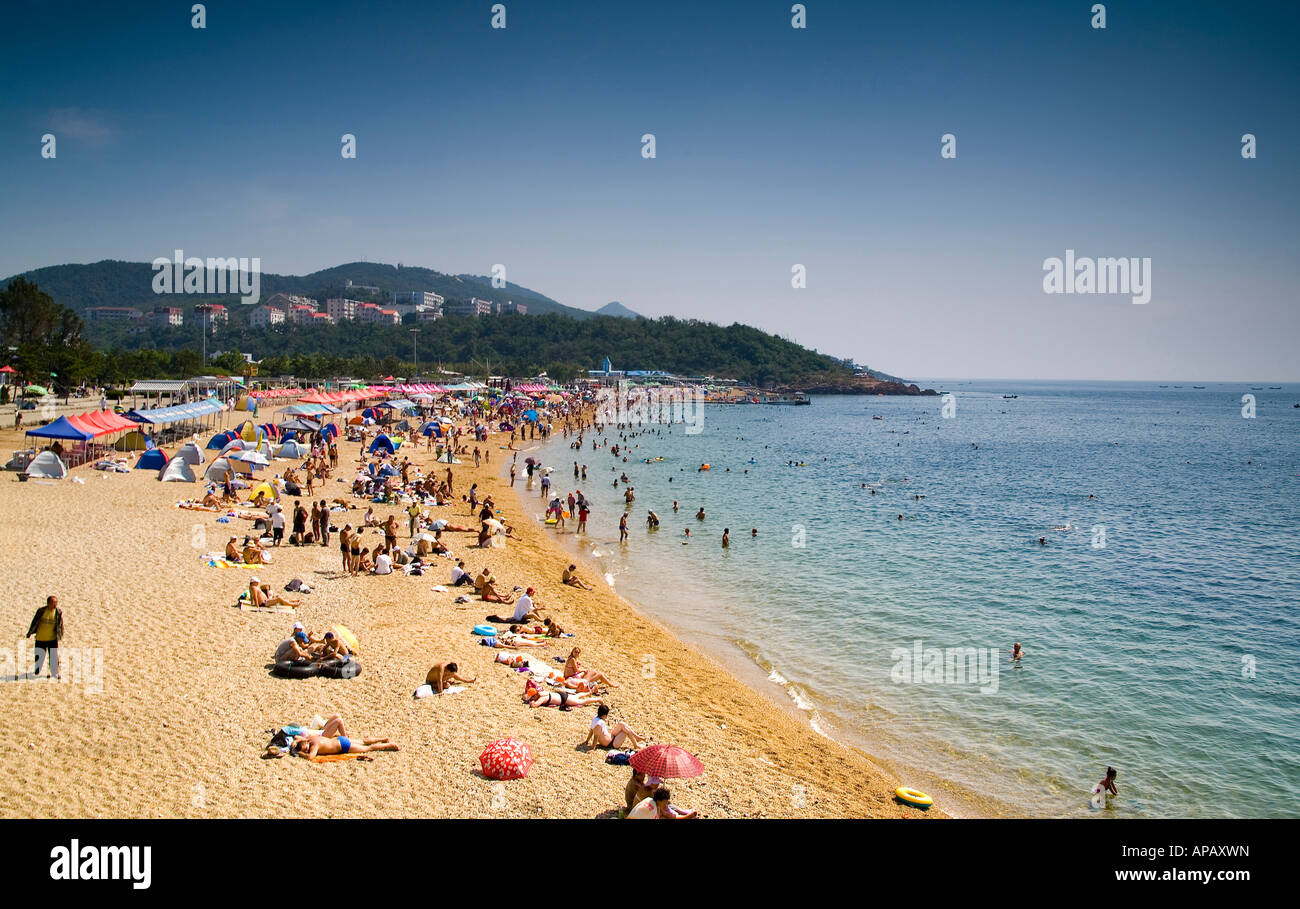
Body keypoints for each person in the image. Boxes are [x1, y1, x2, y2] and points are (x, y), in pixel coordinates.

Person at [26, 595, 63, 679]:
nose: (55, 605)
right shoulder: (41, 611)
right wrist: (30, 632)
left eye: (56, 603)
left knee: (54, 657)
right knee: (39, 656)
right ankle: (37, 669)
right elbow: (34, 621)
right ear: (48, 603)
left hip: (52, 639)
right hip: (40, 638)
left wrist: (60, 635)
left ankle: (55, 673)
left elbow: (60, 625)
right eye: (53, 603)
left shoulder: (58, 612)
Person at [291, 731, 398, 759]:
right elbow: (297, 738)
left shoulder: (314, 746)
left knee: (367, 748)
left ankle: (390, 745)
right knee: (363, 741)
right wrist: (295, 742)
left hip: (342, 746)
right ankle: (382, 739)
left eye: (304, 749)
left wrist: (300, 753)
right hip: (340, 739)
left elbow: (310, 757)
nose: (305, 750)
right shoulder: (310, 739)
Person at [627, 787, 696, 819]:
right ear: (659, 801)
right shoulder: (653, 811)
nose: (666, 805)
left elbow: (668, 815)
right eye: (665, 803)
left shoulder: (649, 800)